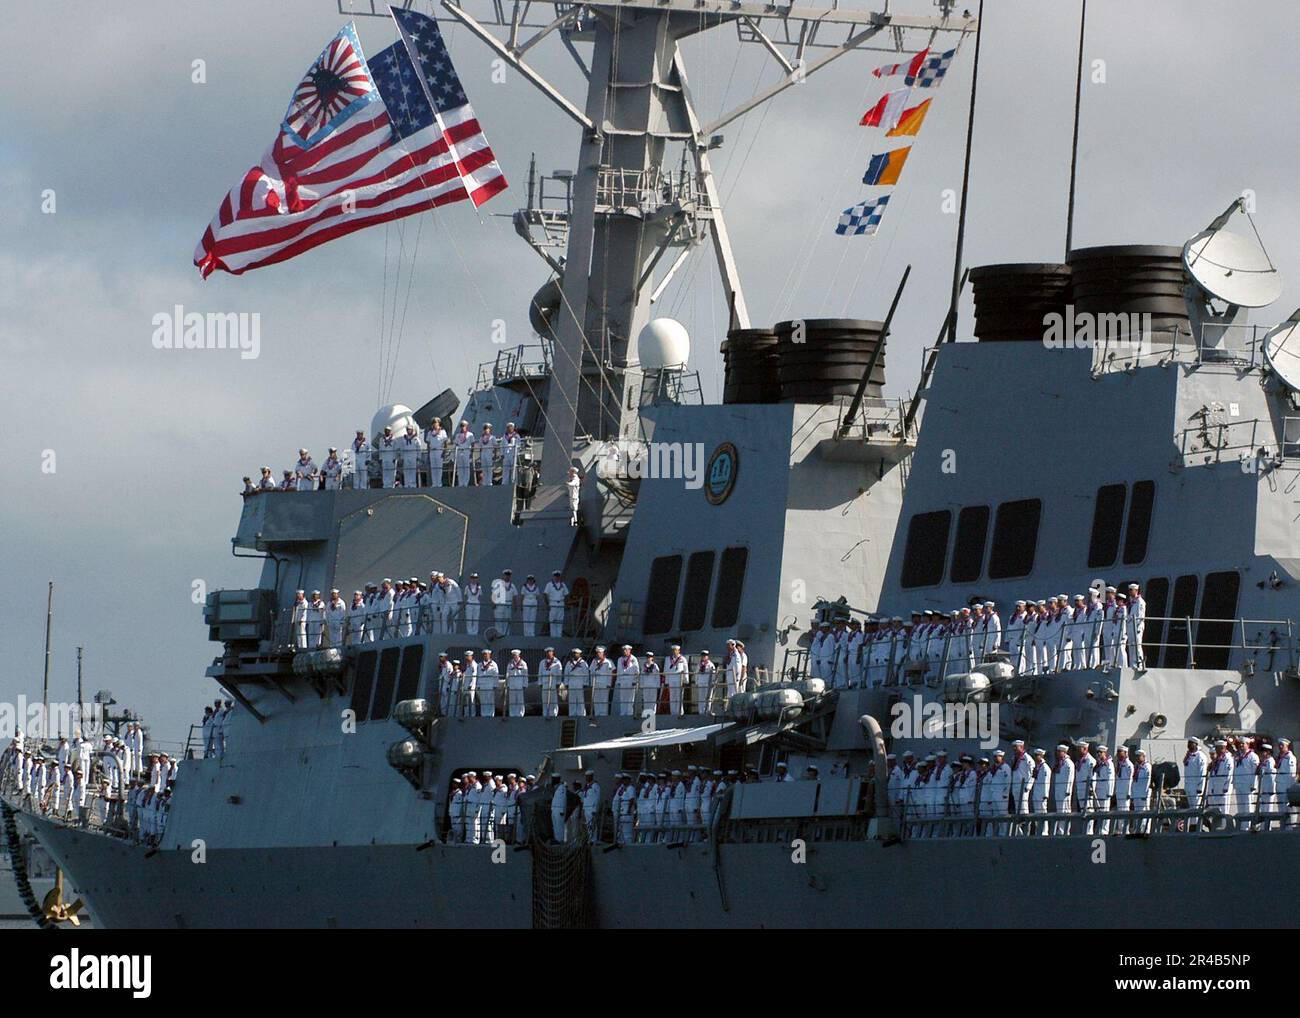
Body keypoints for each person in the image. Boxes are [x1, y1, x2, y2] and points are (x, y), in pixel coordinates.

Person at [1183, 736, 1209, 819]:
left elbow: (1202, 773)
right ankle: (1191, 826)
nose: (1189, 745)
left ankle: (1195, 826)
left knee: (1196, 808)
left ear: (1195, 744)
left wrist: (1200, 787)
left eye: (1191, 743)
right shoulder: (1189, 756)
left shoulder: (1200, 756)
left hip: (1196, 787)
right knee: (1191, 808)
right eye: (1188, 743)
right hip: (1189, 785)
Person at [1052, 744, 1074, 835]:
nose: (1058, 753)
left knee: (1065, 811)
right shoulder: (1060, 763)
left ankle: (1065, 831)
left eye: (1059, 752)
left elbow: (1070, 777)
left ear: (1064, 752)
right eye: (1057, 751)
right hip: (1059, 790)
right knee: (1060, 810)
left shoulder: (1068, 763)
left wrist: (1068, 790)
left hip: (1065, 790)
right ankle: (1060, 830)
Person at [614, 645, 640, 716]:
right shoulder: (620, 659)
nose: (624, 651)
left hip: (630, 680)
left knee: (630, 699)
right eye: (624, 650)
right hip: (622, 680)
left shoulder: (633, 659)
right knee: (623, 698)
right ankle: (623, 713)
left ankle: (629, 713)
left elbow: (637, 671)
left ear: (629, 650)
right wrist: (618, 681)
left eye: (626, 650)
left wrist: (635, 681)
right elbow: (619, 670)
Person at [1125, 583, 1146, 668]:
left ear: (1136, 591)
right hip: (1130, 626)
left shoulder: (1140, 602)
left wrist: (1137, 627)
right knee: (1131, 646)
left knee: (1137, 645)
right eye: (1129, 590)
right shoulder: (1131, 602)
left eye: (1131, 590)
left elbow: (1140, 616)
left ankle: (1139, 664)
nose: (1130, 592)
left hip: (1137, 626)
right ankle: (1132, 664)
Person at [590, 646, 614, 717]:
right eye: (597, 652)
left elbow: (610, 673)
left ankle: (604, 715)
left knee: (604, 700)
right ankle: (597, 714)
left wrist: (609, 684)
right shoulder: (594, 662)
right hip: (596, 683)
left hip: (604, 683)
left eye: (600, 652)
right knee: (596, 700)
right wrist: (592, 684)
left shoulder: (608, 662)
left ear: (603, 653)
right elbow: (591, 672)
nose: (598, 654)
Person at [491, 570, 517, 635]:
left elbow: (515, 596)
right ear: (503, 575)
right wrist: (493, 603)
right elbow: (494, 594)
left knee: (507, 622)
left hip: (508, 605)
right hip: (499, 604)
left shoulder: (512, 585)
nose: (507, 577)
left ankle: (506, 636)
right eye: (506, 575)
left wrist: (515, 605)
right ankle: (498, 635)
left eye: (508, 575)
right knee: (498, 622)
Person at [538, 647, 562, 718]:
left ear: (553, 652)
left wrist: (558, 683)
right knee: (545, 700)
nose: (549, 653)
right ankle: (545, 714)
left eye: (550, 652)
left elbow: (559, 673)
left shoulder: (557, 662)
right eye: (547, 652)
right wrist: (540, 683)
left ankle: (553, 714)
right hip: (545, 682)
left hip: (553, 682)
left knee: (553, 700)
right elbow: (540, 673)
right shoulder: (542, 662)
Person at [564, 649, 589, 717]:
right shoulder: (569, 663)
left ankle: (581, 714)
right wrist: (566, 683)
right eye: (574, 653)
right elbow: (566, 673)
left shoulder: (583, 663)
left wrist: (585, 683)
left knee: (580, 699)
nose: (575, 655)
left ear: (580, 654)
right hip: (571, 681)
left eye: (577, 653)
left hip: (580, 681)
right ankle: (572, 713)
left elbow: (586, 674)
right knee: (572, 699)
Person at [424, 417, 447, 487]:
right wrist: (428, 452)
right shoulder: (430, 433)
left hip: (439, 451)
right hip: (432, 451)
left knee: (439, 468)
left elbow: (445, 443)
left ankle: (439, 483)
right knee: (433, 468)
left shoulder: (442, 432)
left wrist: (444, 452)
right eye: (433, 422)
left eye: (436, 422)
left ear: (439, 423)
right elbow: (428, 443)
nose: (434, 424)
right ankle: (434, 483)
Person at [544, 571, 568, 637]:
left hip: (561, 603)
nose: (557, 578)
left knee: (560, 621)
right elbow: (545, 594)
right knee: (552, 621)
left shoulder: (563, 585)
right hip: (553, 603)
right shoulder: (549, 585)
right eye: (555, 576)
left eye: (558, 576)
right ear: (553, 577)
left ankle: (559, 636)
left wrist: (565, 603)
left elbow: (566, 594)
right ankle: (553, 636)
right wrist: (547, 604)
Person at [506, 649, 529, 718]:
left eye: (516, 655)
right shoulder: (510, 664)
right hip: (512, 683)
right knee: (512, 700)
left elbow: (525, 674)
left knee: (520, 700)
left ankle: (520, 714)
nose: (515, 656)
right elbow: (507, 674)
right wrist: (507, 684)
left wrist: (525, 684)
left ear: (519, 655)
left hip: (520, 683)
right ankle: (512, 714)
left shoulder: (523, 663)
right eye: (514, 655)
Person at [478, 650, 501, 718]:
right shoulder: (479, 665)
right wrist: (478, 685)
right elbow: (478, 675)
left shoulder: (493, 664)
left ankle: (491, 714)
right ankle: (484, 714)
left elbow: (496, 675)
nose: (485, 656)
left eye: (487, 654)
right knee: (483, 700)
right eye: (484, 654)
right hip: (482, 684)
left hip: (490, 684)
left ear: (489, 655)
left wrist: (495, 685)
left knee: (490, 700)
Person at [453, 421, 474, 486]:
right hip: (459, 452)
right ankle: (461, 483)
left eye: (464, 426)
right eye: (461, 426)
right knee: (460, 468)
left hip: (466, 451)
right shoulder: (457, 435)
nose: (462, 427)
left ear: (466, 426)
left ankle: (465, 483)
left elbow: (472, 444)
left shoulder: (470, 435)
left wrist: (471, 453)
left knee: (466, 468)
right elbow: (456, 444)